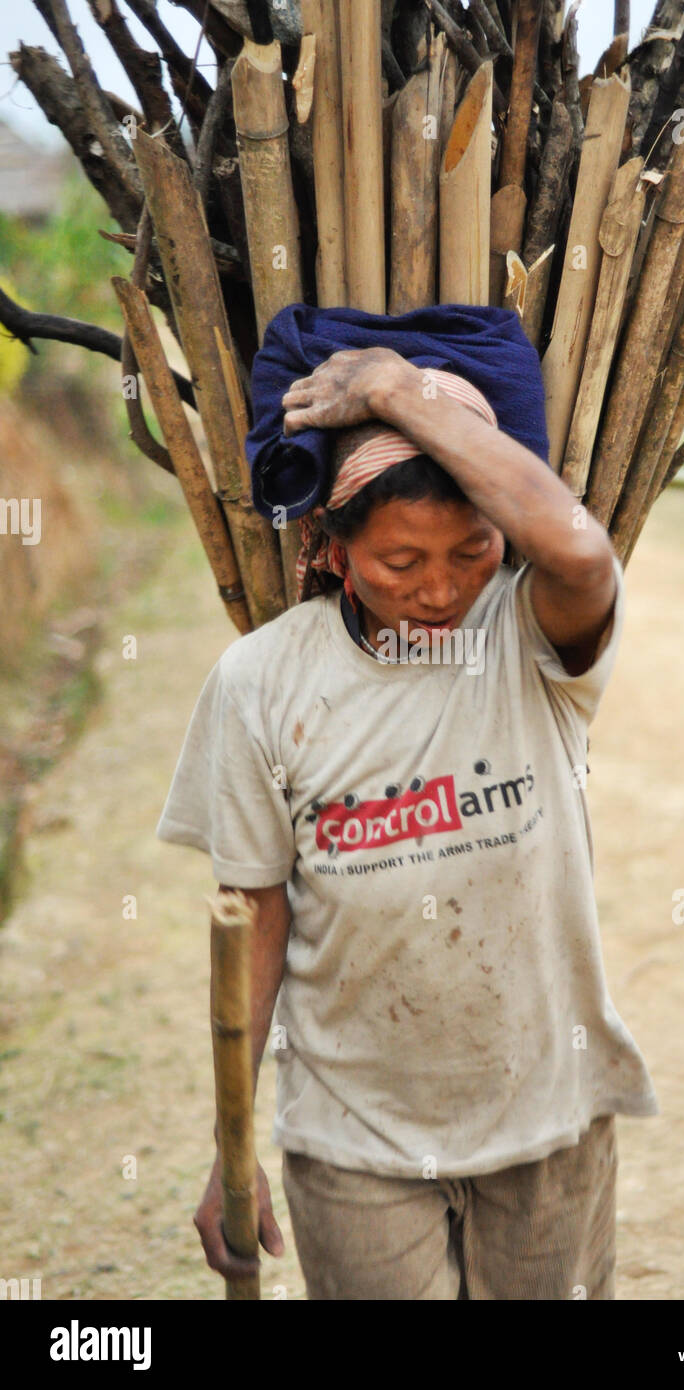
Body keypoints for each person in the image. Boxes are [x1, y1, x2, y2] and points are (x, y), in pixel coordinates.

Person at [156, 345, 658, 1299]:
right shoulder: (262, 684)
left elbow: (582, 550)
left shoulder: (531, 635)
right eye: (400, 562)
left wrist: (393, 389)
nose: (439, 590)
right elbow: (253, 913)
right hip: (354, 1135)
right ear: (334, 551)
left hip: (546, 1109)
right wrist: (232, 1143)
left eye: (471, 551)